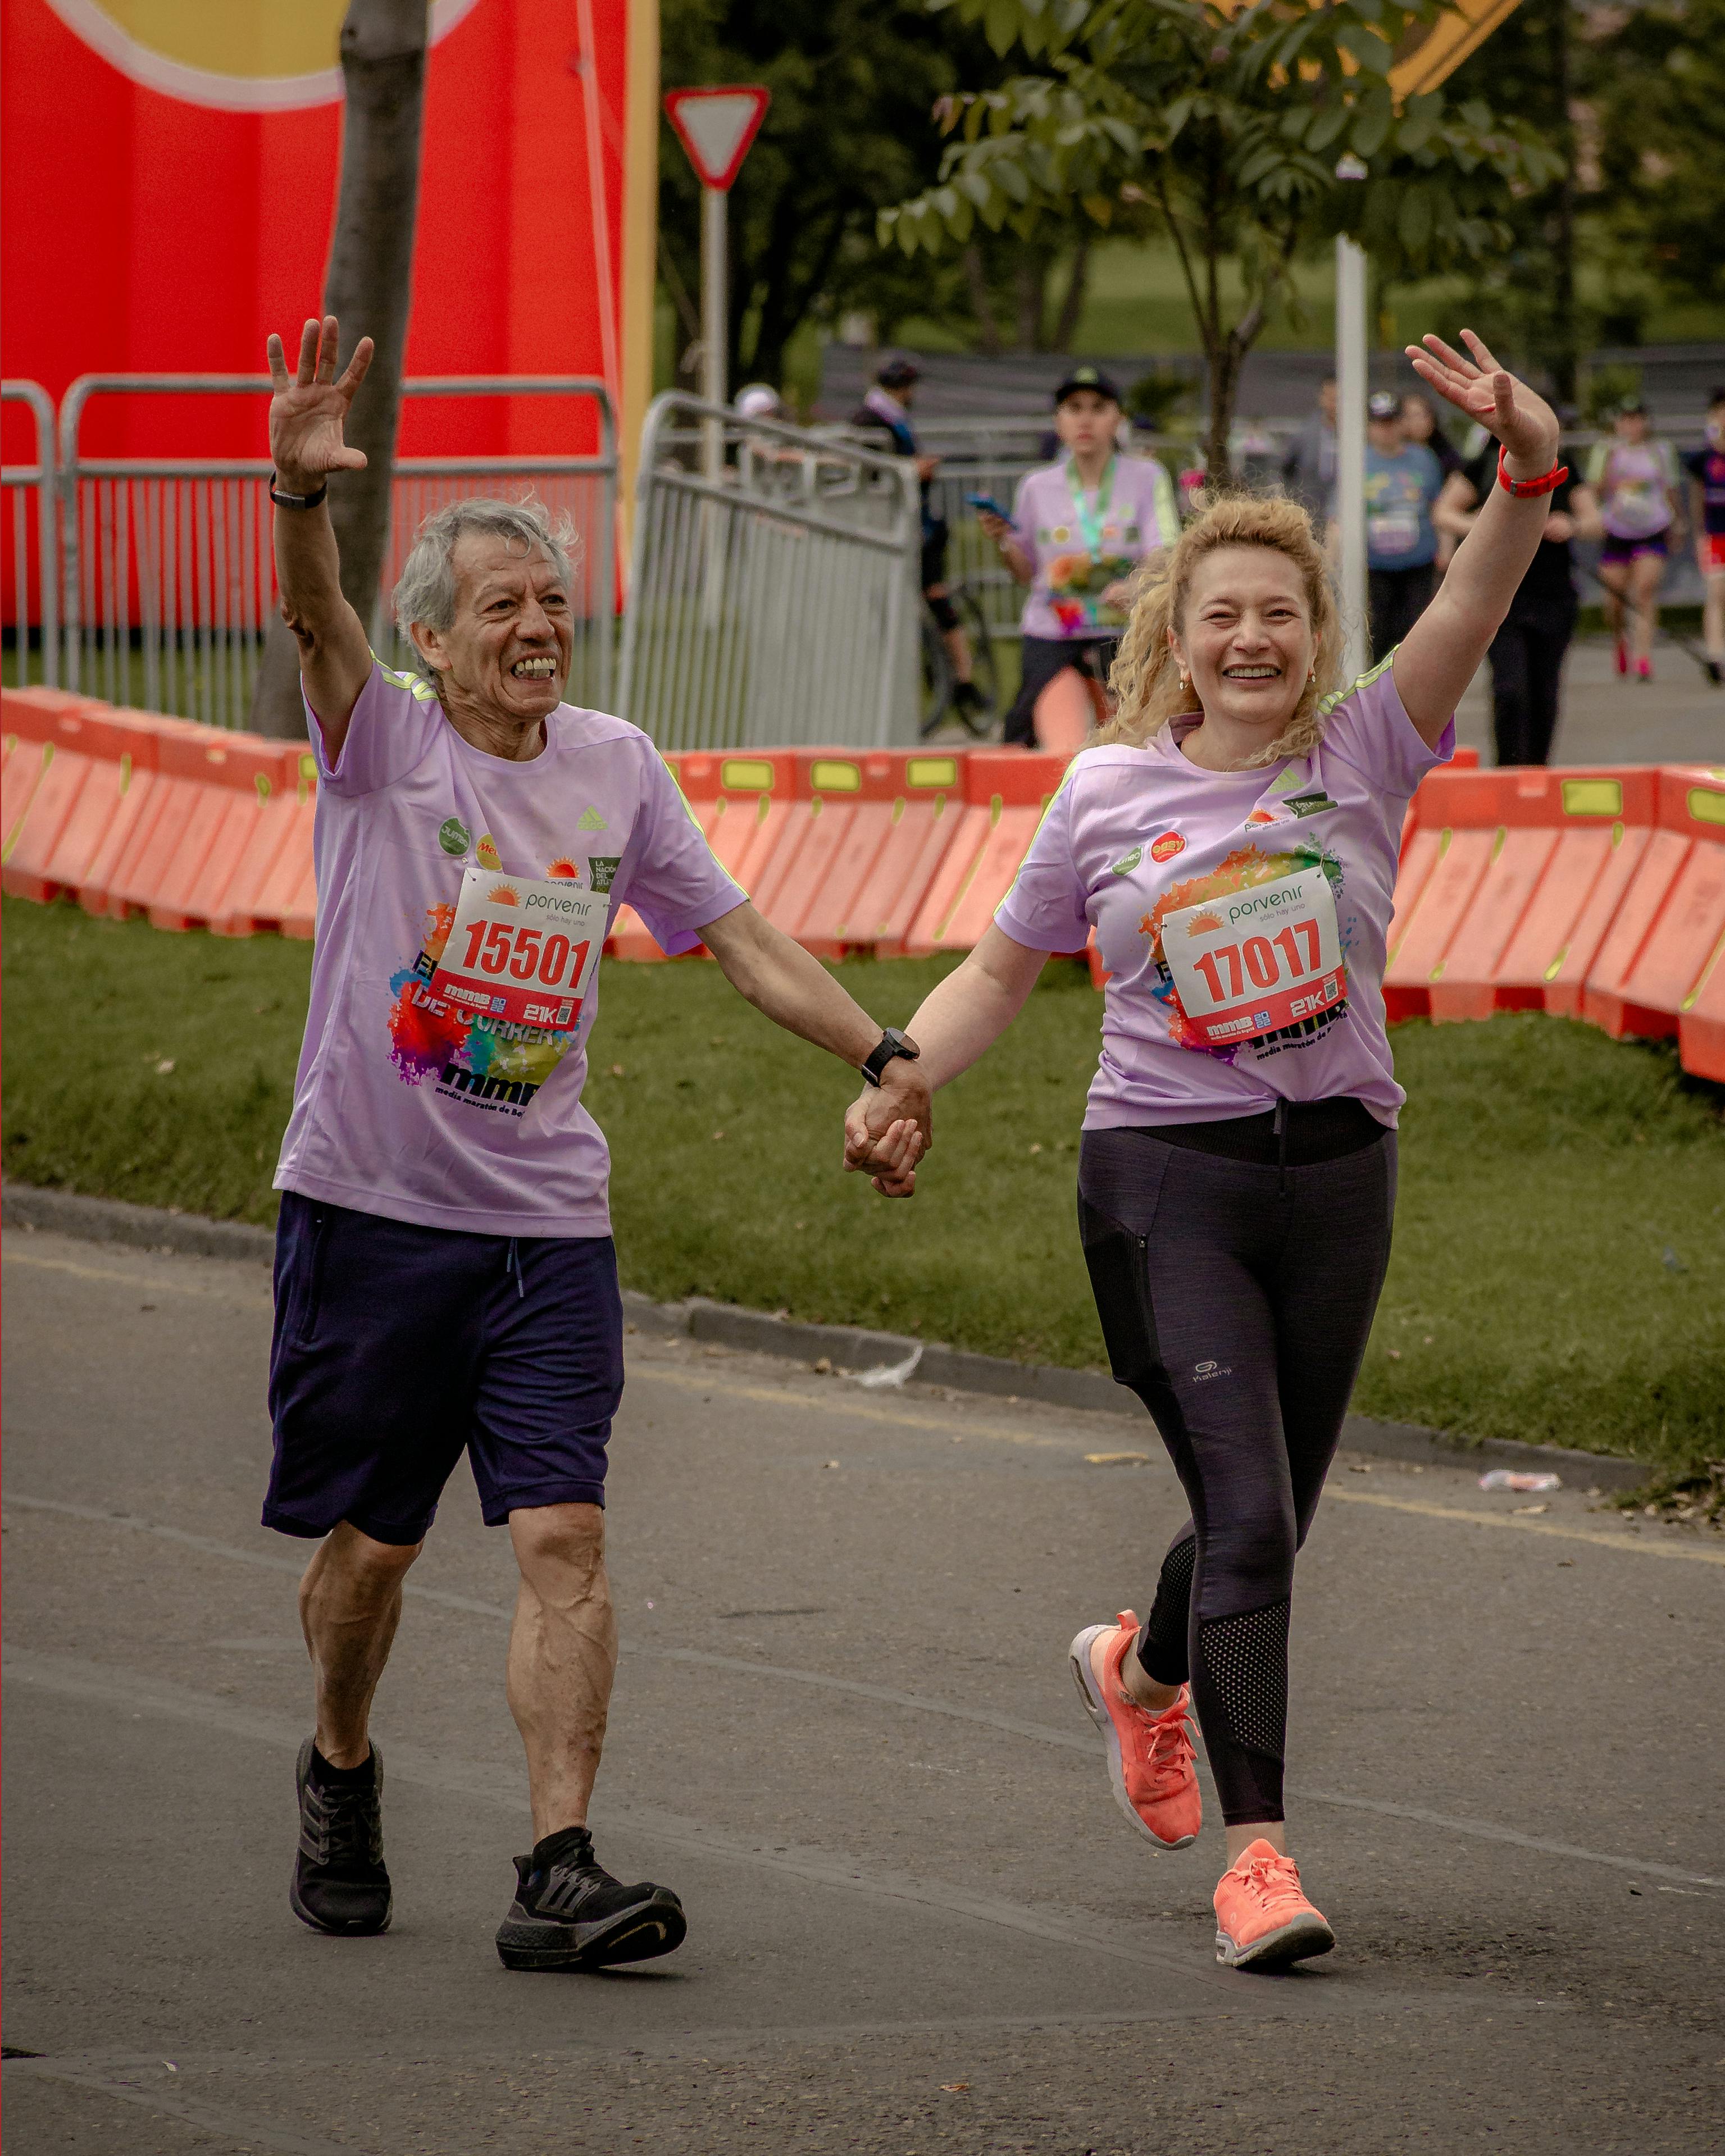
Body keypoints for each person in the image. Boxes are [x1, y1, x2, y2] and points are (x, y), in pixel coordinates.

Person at [846, 329, 1564, 1971]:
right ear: (1170, 635)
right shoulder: (1103, 793)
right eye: (1219, 611)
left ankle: (1138, 1672)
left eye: (1280, 612)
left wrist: (1526, 459)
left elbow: (1475, 595)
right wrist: (899, 1067)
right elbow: (1001, 970)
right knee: (1246, 1515)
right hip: (1163, 1183)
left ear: (1314, 639)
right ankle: (1260, 1860)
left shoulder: (1366, 751)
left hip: (1337, 1178)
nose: (1250, 636)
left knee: (1273, 1521)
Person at [262, 316, 932, 1971]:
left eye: (553, 603)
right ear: (432, 638)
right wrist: (295, 494)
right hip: (371, 1212)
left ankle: (556, 1861)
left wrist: (889, 1048)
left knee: (564, 1531)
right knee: (378, 1544)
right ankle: (339, 1757)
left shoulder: (615, 769)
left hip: (547, 1227)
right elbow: (313, 610)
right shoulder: (382, 745)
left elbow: (743, 937)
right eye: (501, 607)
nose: (538, 629)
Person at [979, 367, 1181, 754]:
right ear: (1059, 422)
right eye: (1074, 409)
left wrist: (1136, 586)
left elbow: (1165, 551)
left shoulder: (1146, 476)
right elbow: (1025, 573)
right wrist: (1003, 540)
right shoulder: (1036, 487)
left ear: (1117, 419)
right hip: (1054, 631)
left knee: (1129, 748)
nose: (1085, 419)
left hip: (1122, 631)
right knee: (1061, 750)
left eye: (1098, 408)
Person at [1433, 437, 1602, 763]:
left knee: (1545, 690)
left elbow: (1595, 520)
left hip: (1553, 595)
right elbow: (1443, 512)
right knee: (1510, 689)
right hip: (1499, 600)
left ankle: (1538, 771)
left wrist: (1571, 525)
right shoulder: (1484, 464)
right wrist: (1481, 524)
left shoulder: (1562, 464)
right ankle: (1509, 769)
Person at [850, 354, 987, 723]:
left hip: (918, 525)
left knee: (935, 598)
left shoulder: (887, 417)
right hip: (901, 527)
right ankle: (959, 679)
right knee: (931, 600)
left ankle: (960, 678)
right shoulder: (871, 421)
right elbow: (873, 469)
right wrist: (913, 470)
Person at [1586, 398, 1683, 682]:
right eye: (1626, 419)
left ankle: (1643, 656)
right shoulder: (1606, 450)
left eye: (1637, 419)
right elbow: (1595, 489)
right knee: (1615, 598)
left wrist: (1678, 522)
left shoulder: (1661, 451)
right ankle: (1620, 640)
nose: (1632, 425)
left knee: (1645, 590)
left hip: (1652, 527)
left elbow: (1671, 488)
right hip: (1617, 529)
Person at [1351, 391, 1445, 659]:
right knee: (1378, 631)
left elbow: (1438, 506)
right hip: (1375, 564)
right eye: (1380, 424)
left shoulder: (1423, 459)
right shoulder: (1358, 461)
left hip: (1418, 561)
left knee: (1414, 629)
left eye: (1392, 422)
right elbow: (1340, 515)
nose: (1387, 430)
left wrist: (1446, 548)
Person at [1682, 386, 1725, 686]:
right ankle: (1715, 655)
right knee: (1716, 594)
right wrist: (1699, 535)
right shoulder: (1704, 459)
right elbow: (1698, 499)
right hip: (1716, 536)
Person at [1280, 375, 1336, 524]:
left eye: (1337, 398)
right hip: (1311, 508)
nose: (1333, 404)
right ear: (1321, 398)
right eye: (1329, 397)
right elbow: (1285, 466)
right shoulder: (1306, 433)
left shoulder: (1360, 434)